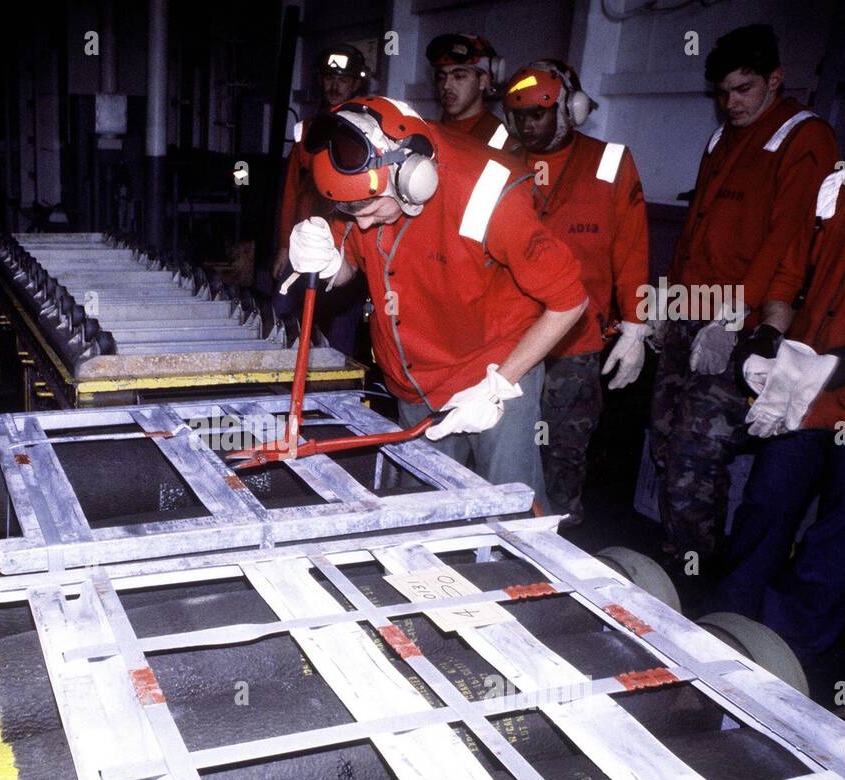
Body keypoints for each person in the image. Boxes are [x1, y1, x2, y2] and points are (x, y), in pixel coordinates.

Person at [287, 96, 587, 507]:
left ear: (413, 179)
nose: (359, 223)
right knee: (423, 508)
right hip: (414, 379)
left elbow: (570, 300)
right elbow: (349, 267)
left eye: (368, 209)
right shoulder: (358, 174)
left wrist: (499, 385)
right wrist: (324, 264)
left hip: (494, 370)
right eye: (347, 211)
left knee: (510, 508)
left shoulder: (488, 193)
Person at [710, 94, 845, 667]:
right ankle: (728, 630)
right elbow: (791, 272)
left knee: (837, 539)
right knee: (766, 506)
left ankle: (788, 658)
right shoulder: (840, 188)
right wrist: (769, 334)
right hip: (801, 391)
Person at [649, 23, 838, 562]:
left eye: (744, 89)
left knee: (696, 450)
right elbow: (696, 229)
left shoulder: (804, 137)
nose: (730, 103)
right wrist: (668, 305)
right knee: (664, 438)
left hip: (741, 323)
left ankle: (689, 569)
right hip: (691, 310)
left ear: (775, 80)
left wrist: (732, 319)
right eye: (722, 93)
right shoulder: (722, 137)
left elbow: (787, 241)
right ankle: (676, 549)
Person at [503, 60, 650, 525]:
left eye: (539, 113)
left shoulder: (611, 162)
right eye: (520, 115)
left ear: (570, 109)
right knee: (506, 450)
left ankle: (560, 541)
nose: (528, 125)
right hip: (510, 339)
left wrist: (635, 327)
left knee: (563, 451)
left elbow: (632, 248)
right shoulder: (502, 160)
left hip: (577, 342)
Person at [271, 43, 371, 356]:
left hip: (345, 250)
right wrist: (284, 247)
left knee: (340, 335)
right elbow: (291, 190)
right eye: (329, 77)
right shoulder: (308, 130)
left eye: (343, 79)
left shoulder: (370, 132)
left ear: (356, 84)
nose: (334, 85)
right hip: (303, 244)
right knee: (283, 319)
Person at [426, 32, 509, 149]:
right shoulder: (427, 131)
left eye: (459, 76)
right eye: (441, 77)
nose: (446, 85)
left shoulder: (503, 141)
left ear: (483, 81)